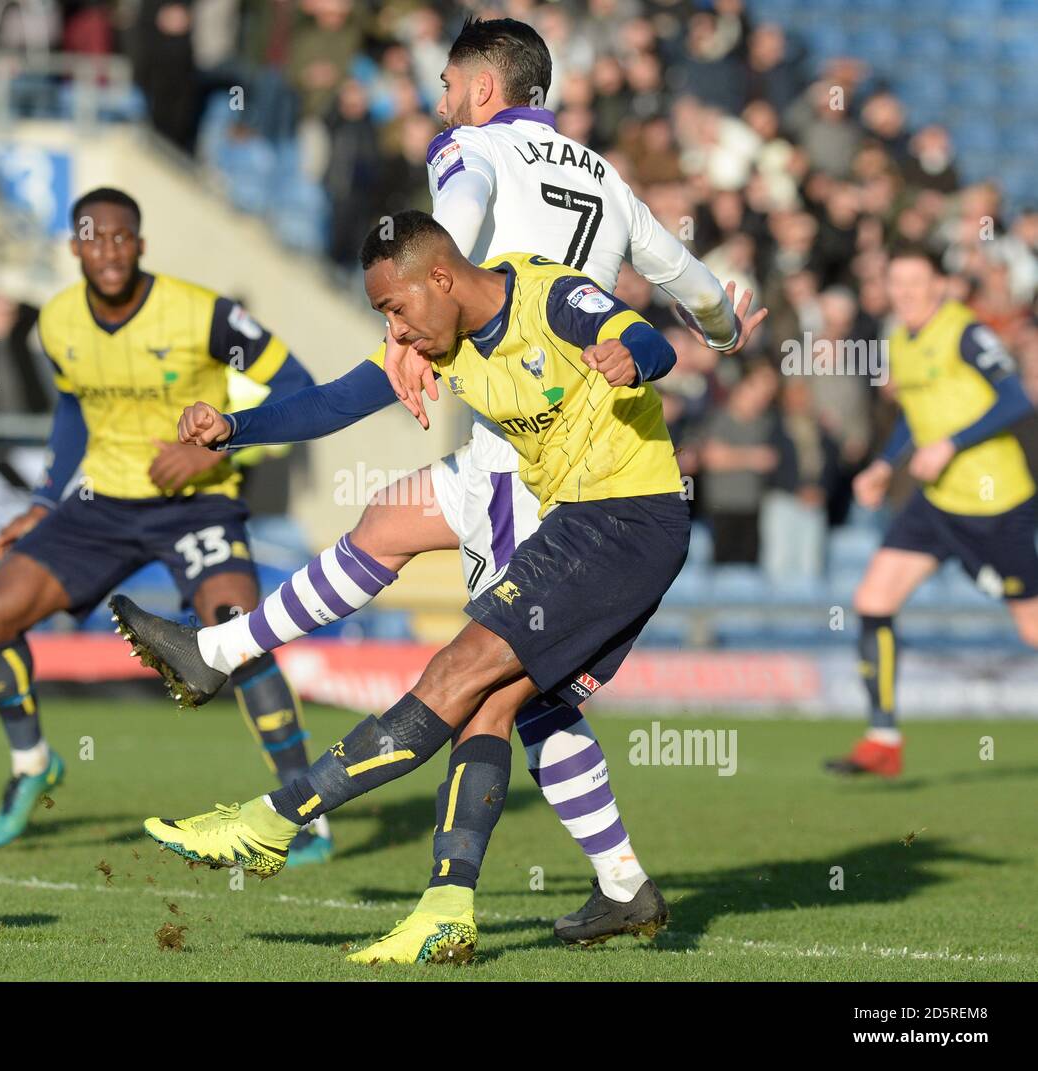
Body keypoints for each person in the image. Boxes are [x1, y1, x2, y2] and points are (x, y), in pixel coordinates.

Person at [116, 14, 766, 949]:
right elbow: (691, 284)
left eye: (450, 83)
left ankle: (444, 894)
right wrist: (727, 330)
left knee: (490, 692)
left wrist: (408, 322)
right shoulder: (606, 178)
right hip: (535, 416)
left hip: (547, 455)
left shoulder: (466, 157)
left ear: (485, 90)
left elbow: (445, 242)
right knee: (395, 534)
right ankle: (220, 657)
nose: (439, 98)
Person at [113, 214, 693, 964]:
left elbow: (650, 339)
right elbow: (335, 402)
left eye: (395, 308)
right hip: (579, 527)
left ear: (441, 277)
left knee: (455, 674)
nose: (395, 330)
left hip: (623, 523)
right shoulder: (440, 342)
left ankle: (273, 819)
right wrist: (233, 426)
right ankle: (490, 904)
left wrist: (631, 356)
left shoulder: (546, 297)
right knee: (493, 701)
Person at [0, 188, 327, 861]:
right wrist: (44, 502)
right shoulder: (57, 321)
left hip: (198, 500)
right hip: (102, 503)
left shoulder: (204, 313)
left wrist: (211, 447)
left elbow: (295, 383)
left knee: (237, 634)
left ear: (141, 243)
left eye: (121, 236)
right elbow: (72, 410)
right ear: (74, 247)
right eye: (93, 238)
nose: (108, 250)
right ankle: (31, 765)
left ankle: (302, 812)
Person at [829, 245, 1037, 777]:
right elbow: (913, 418)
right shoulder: (898, 338)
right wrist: (882, 465)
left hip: (994, 505)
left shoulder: (966, 332)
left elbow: (1016, 399)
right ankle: (883, 740)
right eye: (896, 284)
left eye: (915, 283)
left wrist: (952, 443)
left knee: (1033, 628)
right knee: (873, 599)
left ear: (939, 285)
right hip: (935, 503)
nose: (905, 294)